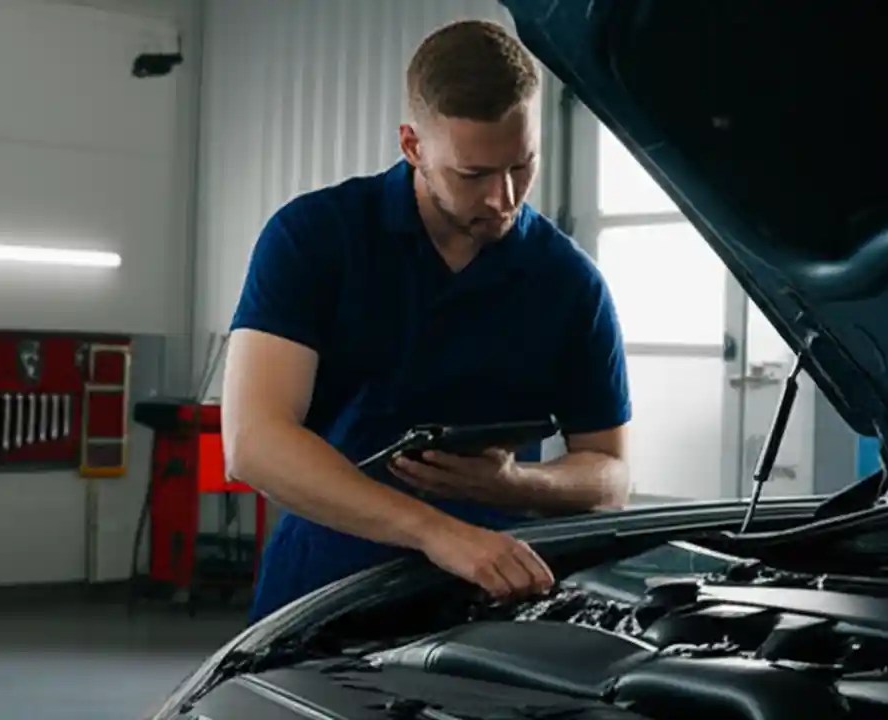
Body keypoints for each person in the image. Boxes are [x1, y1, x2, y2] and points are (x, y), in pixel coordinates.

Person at [222, 19, 632, 625]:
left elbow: (611, 476)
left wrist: (516, 483)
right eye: (473, 175)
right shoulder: (314, 239)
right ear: (413, 145)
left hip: (498, 603)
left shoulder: (570, 284)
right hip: (324, 595)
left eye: (523, 166)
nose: (504, 199)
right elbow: (252, 443)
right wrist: (436, 533)